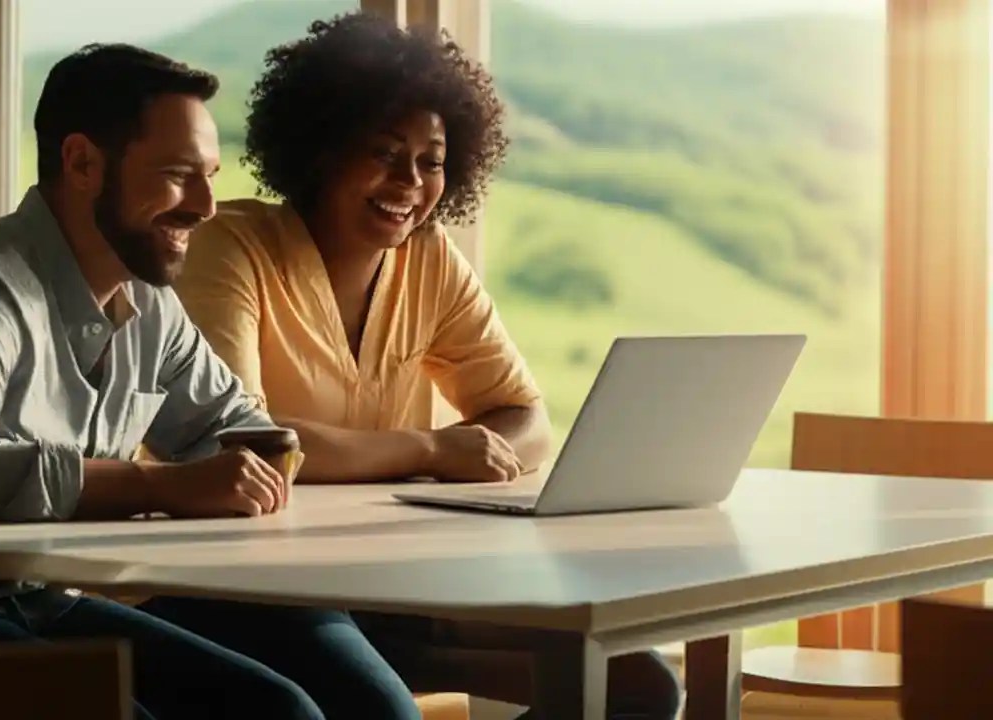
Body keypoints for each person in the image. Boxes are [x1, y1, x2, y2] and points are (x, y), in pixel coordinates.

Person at [0, 43, 409, 720]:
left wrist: (263, 461)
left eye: (210, 175)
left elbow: (233, 424)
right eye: (181, 175)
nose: (208, 205)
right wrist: (161, 486)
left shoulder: (146, 299)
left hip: (29, 601)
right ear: (83, 162)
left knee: (303, 700)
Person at [169, 13, 682, 719]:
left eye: (432, 160)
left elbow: (527, 420)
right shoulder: (229, 248)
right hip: (253, 587)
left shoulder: (430, 260)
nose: (410, 181)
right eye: (383, 153)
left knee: (637, 684)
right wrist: (433, 449)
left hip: (394, 582)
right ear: (319, 149)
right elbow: (247, 443)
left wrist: (464, 454)